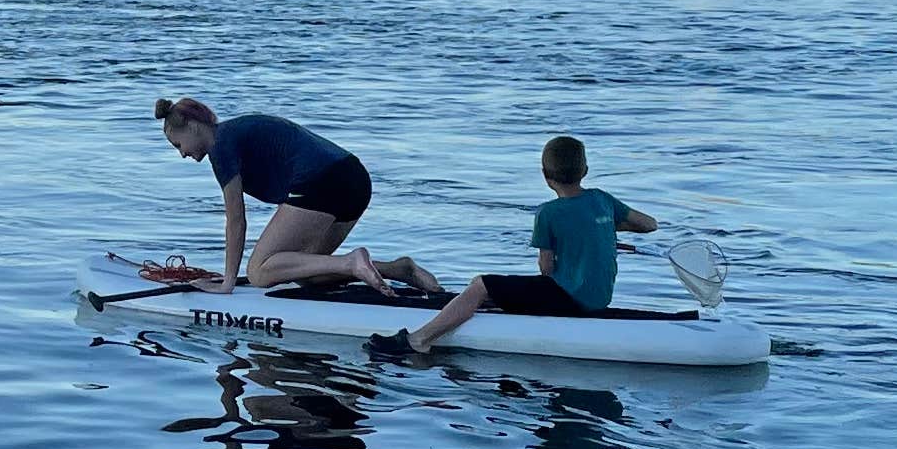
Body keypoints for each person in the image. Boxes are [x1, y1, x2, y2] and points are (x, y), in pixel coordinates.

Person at [370, 135, 660, 364]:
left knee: (481, 284)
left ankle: (418, 340)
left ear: (546, 176)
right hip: (599, 298)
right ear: (585, 171)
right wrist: (600, 229)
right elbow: (649, 225)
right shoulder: (602, 200)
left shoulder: (548, 213)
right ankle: (466, 307)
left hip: (572, 300)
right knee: (483, 288)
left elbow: (545, 269)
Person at [151, 95, 439, 297]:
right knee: (303, 272)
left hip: (324, 181)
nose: (183, 154)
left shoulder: (222, 146)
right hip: (355, 180)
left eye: (178, 144)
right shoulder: (234, 132)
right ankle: (398, 269)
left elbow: (236, 221)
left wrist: (227, 283)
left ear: (192, 125)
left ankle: (352, 262)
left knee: (260, 273)